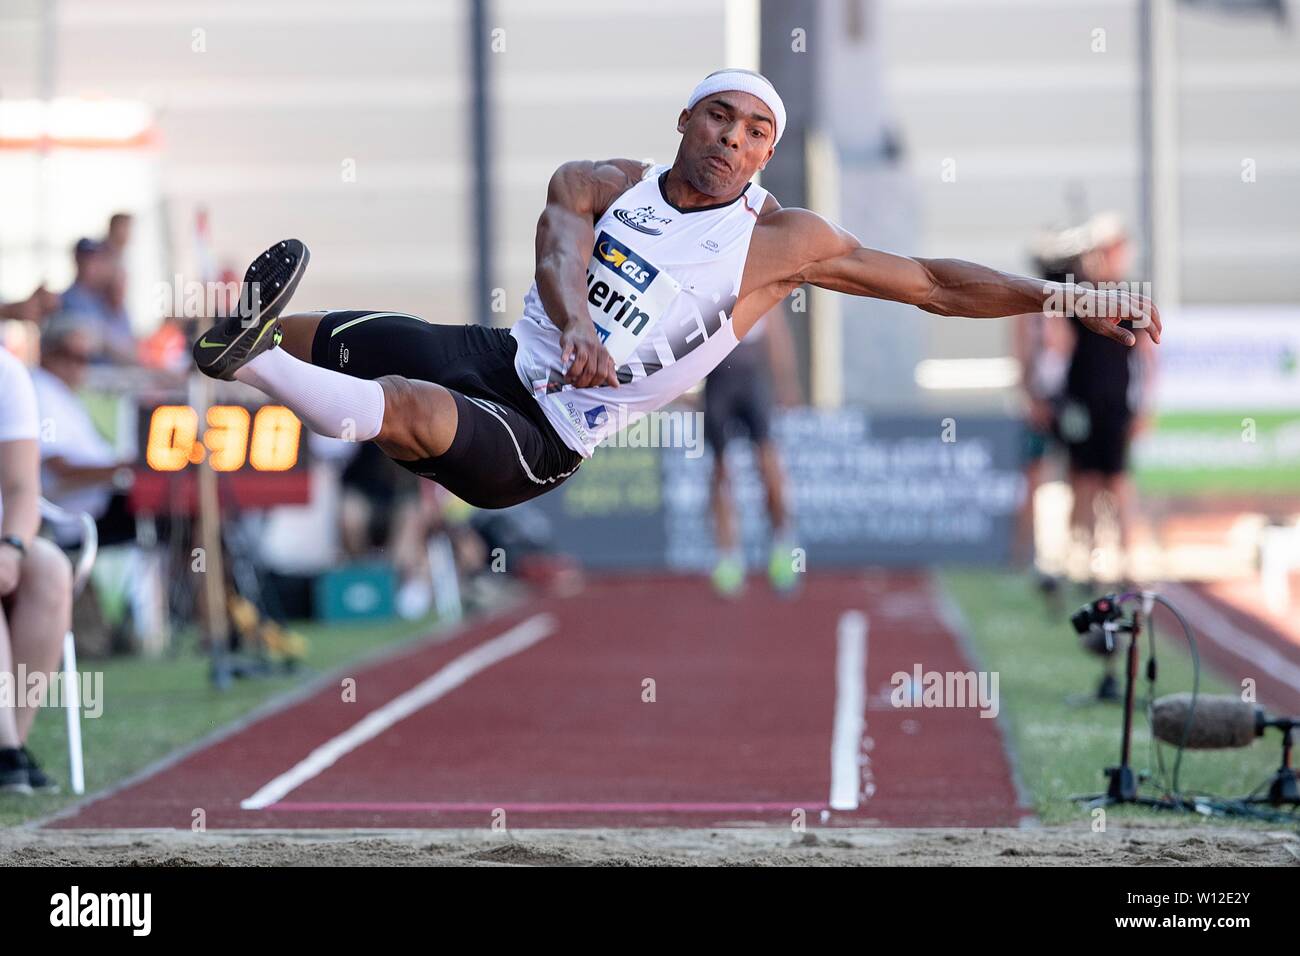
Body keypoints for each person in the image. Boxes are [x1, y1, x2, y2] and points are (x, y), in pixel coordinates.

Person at [191, 69, 1160, 514]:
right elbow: (557, 244)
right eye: (718, 118)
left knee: (402, 406)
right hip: (510, 355)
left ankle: (252, 360)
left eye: (753, 132)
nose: (731, 140)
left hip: (545, 437)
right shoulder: (605, 181)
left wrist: (1070, 299)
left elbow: (935, 285)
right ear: (684, 119)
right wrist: (573, 321)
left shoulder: (782, 243)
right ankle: (237, 344)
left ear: (767, 154)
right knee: (338, 328)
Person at [1056, 213, 1157, 592]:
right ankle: (1080, 564)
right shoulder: (1072, 297)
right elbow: (1057, 347)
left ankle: (1128, 566)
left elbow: (1148, 360)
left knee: (1118, 484)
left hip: (1115, 405)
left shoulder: (1134, 298)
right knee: (1082, 482)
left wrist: (1145, 406)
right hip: (1081, 402)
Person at [0, 344, 73, 793]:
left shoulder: (6, 373)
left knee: (48, 567)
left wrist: (12, 547)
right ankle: (5, 748)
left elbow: (23, 488)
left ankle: (13, 744)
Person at [704, 305, 801, 596]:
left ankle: (783, 544)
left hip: (750, 375)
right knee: (720, 470)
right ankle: (728, 557)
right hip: (718, 376)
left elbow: (776, 326)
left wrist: (786, 381)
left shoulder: (757, 265)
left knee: (767, 462)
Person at [30, 316, 137, 548]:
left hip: (99, 501)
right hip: (79, 515)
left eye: (87, 358)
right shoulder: (42, 393)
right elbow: (58, 467)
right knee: (177, 511)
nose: (81, 365)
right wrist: (122, 470)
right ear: (48, 353)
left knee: (181, 505)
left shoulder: (60, 393)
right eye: (73, 356)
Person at [60, 238, 136, 365]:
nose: (92, 266)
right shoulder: (68, 299)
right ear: (77, 261)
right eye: (86, 260)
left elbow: (131, 348)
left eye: (96, 260)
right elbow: (84, 341)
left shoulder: (106, 300)